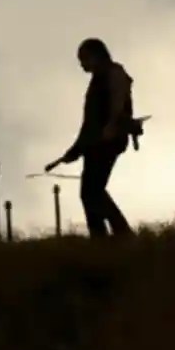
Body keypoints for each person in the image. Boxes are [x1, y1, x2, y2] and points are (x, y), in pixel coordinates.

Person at [45, 38, 136, 239]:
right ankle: (104, 236)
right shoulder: (99, 79)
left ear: (97, 56)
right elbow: (90, 124)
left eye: (84, 59)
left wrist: (111, 125)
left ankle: (120, 234)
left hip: (108, 141)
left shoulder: (113, 73)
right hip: (96, 143)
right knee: (91, 192)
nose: (82, 64)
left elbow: (118, 102)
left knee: (92, 192)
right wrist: (75, 151)